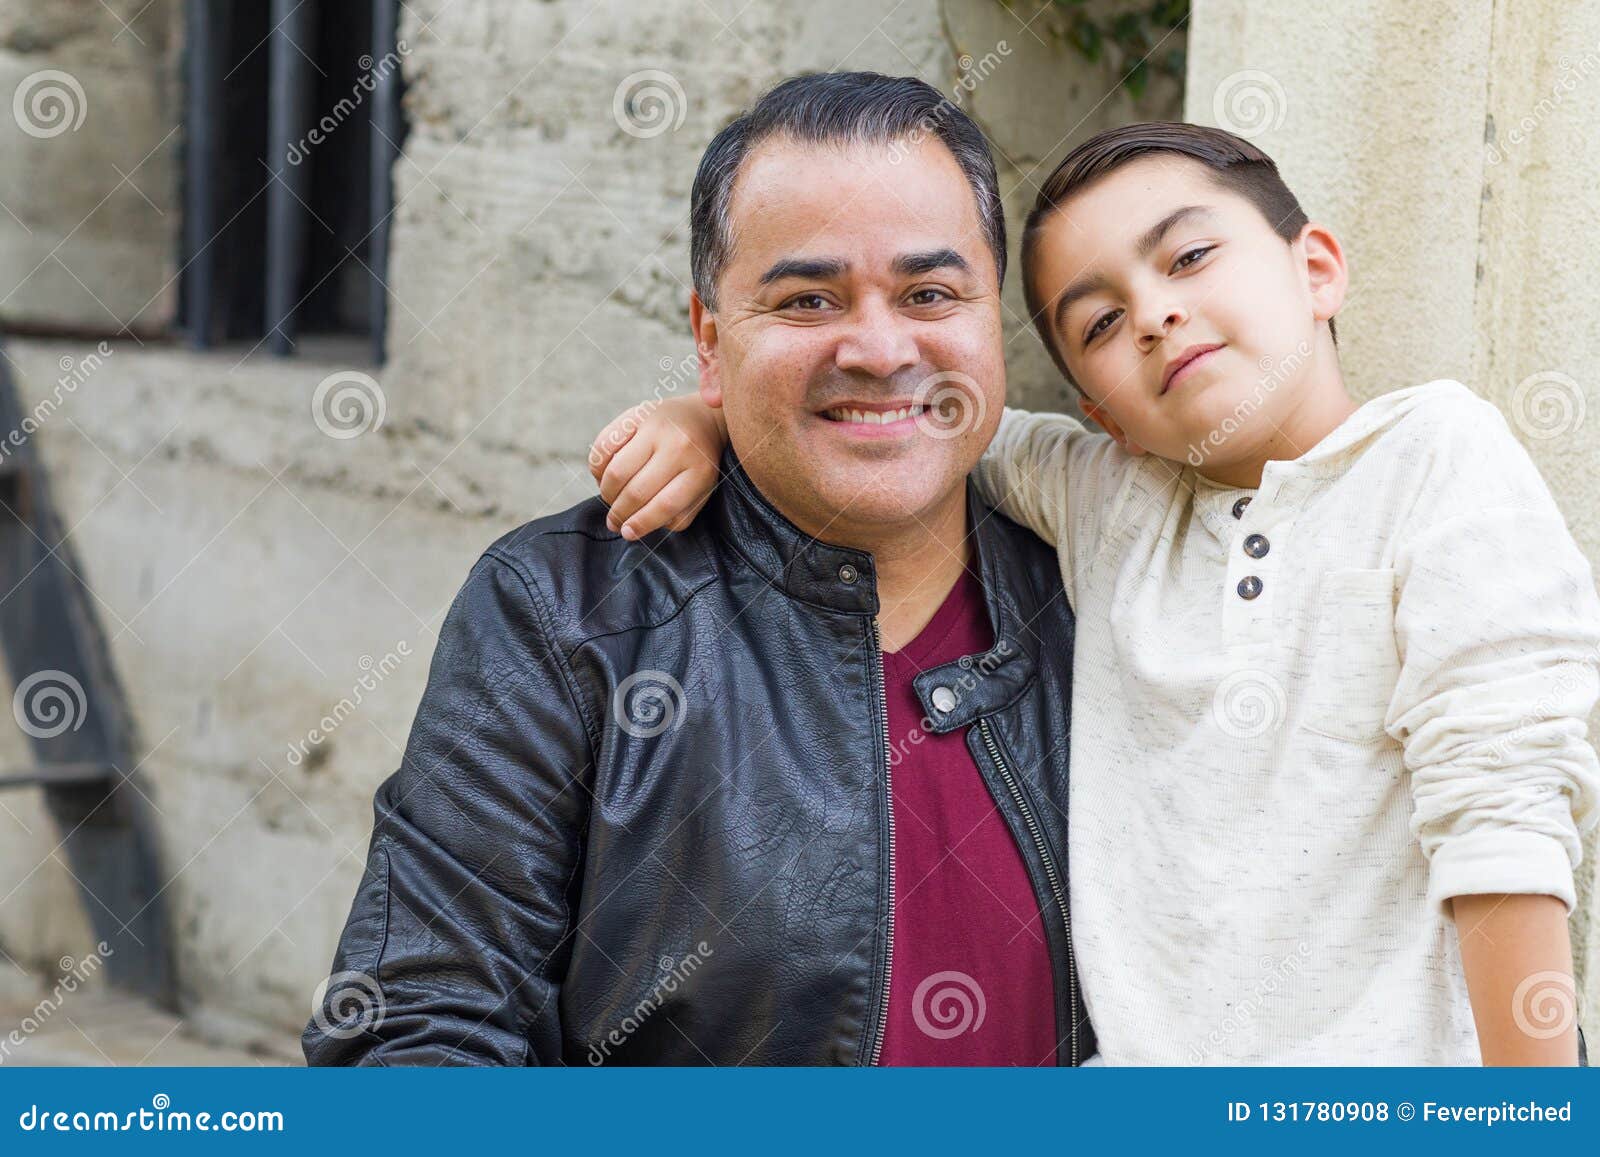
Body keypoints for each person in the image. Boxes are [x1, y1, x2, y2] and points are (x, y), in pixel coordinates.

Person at [589, 121, 1600, 1065]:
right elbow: (918, 415)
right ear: (1098, 412)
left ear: (1315, 268)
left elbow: (1502, 807)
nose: (1156, 313)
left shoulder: (1432, 457)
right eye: (1102, 319)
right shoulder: (1108, 499)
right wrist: (709, 414)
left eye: (1190, 258)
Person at [304, 71, 1093, 1067]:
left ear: (993, 320)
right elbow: (412, 1026)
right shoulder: (564, 612)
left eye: (929, 293)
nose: (881, 346)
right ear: (710, 344)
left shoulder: (1105, 585)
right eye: (808, 298)